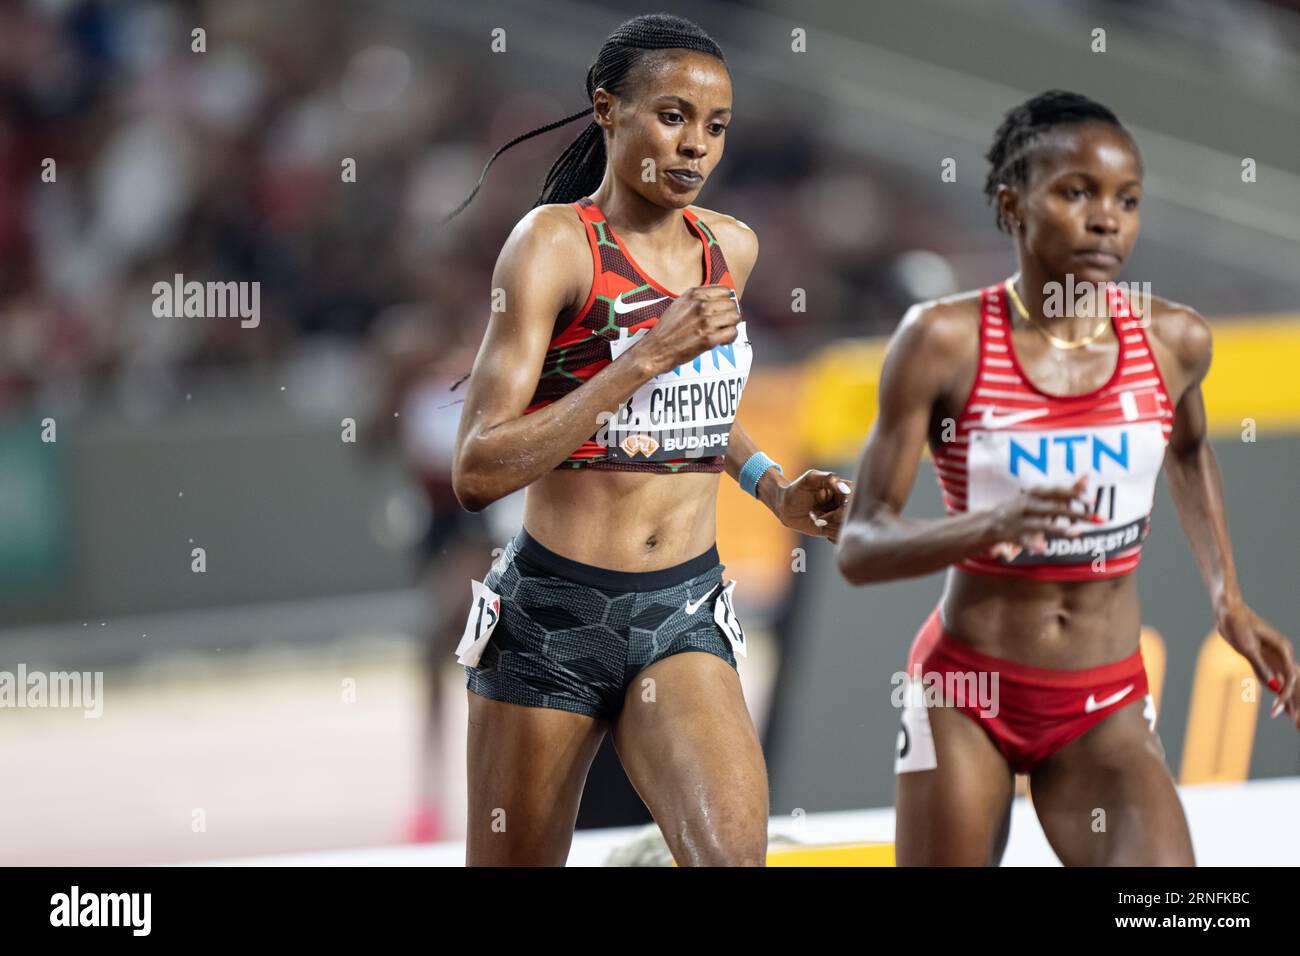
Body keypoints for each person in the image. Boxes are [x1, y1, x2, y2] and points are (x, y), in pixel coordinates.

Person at [835, 90, 1300, 866]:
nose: (1106, 217)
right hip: (965, 694)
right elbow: (859, 545)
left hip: (1104, 702)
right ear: (1013, 205)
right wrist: (988, 527)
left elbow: (1188, 453)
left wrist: (1228, 599)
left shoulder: (1176, 340)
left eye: (1127, 199)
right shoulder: (942, 342)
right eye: (1076, 192)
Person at [448, 13, 852, 866]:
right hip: (552, 620)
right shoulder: (554, 246)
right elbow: (479, 467)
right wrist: (645, 355)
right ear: (607, 110)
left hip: (684, 612)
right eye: (672, 115)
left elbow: (698, 411)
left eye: (715, 127)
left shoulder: (729, 248)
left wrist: (772, 487)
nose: (695, 146)